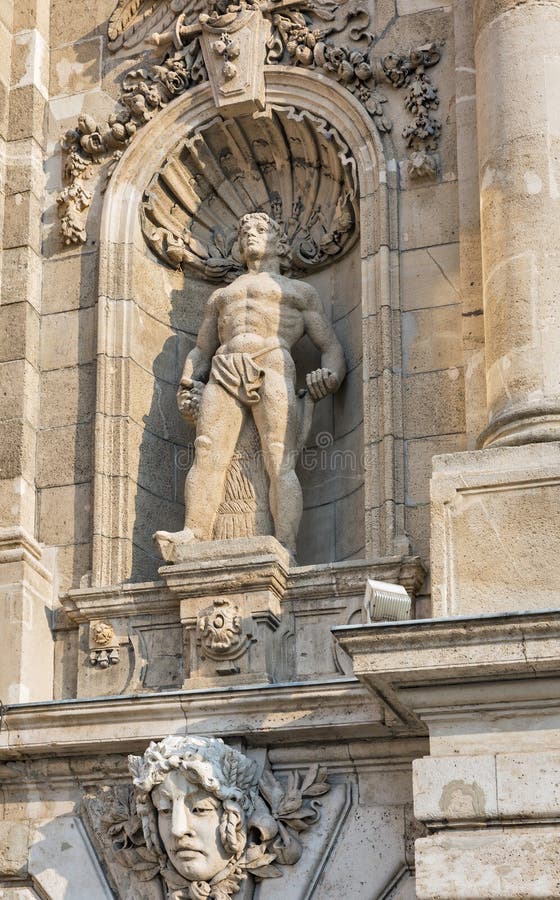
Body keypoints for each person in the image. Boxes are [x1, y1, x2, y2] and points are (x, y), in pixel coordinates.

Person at [154, 212, 346, 559]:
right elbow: (201, 348)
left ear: (278, 240)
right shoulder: (221, 297)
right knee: (207, 449)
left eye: (260, 229)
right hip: (224, 367)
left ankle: (286, 543)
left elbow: (331, 347)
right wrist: (187, 381)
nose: (250, 235)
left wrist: (328, 377)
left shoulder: (297, 292)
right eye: (244, 231)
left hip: (271, 363)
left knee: (279, 459)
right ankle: (193, 532)